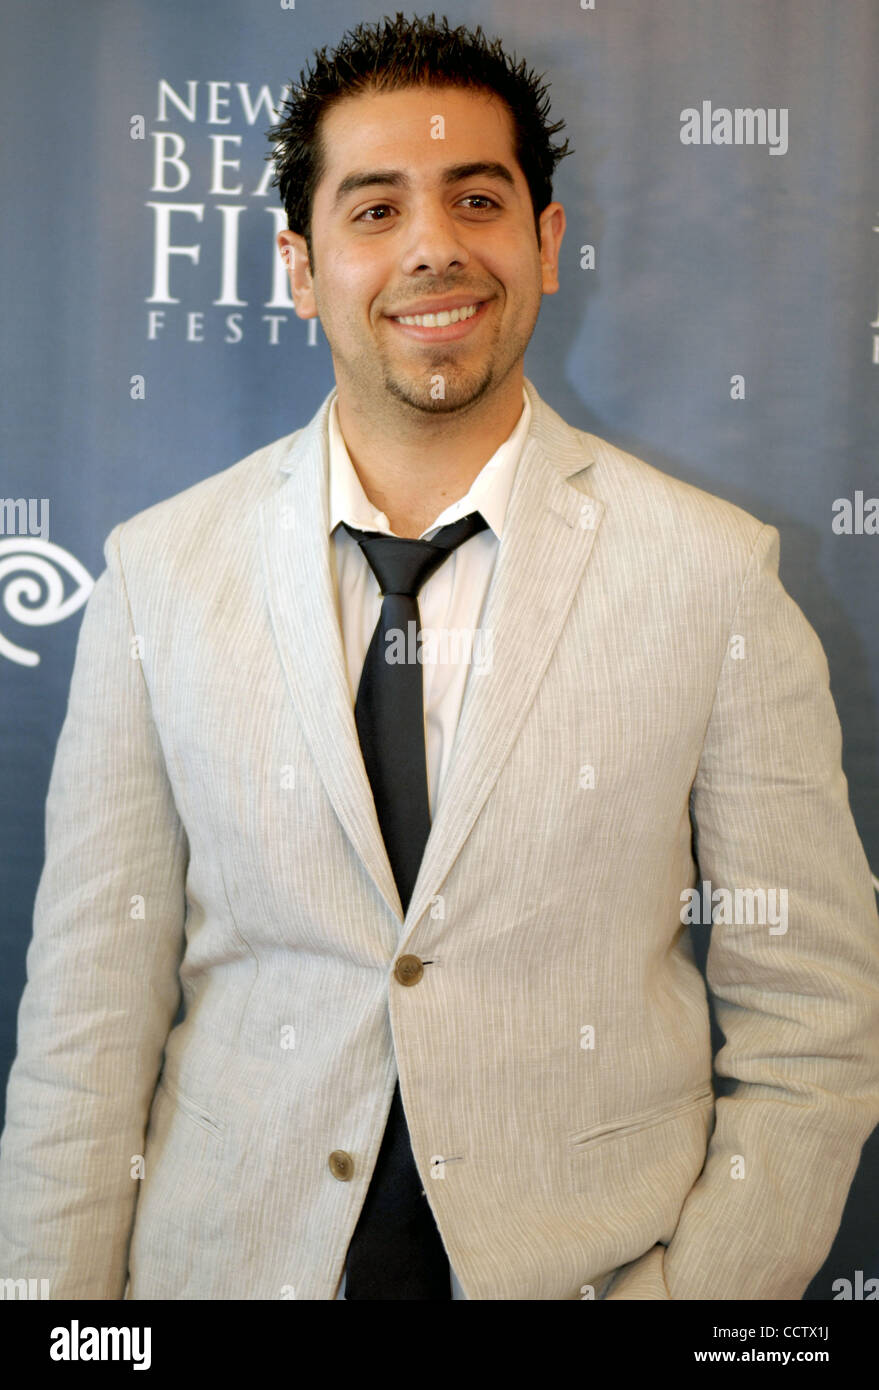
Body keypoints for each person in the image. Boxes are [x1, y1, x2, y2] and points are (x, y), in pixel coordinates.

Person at [1, 12, 878, 1302]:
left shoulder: (712, 576)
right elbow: (86, 1030)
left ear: (547, 243)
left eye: (477, 197)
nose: (431, 247)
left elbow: (815, 1029)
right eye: (373, 210)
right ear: (299, 267)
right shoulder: (160, 575)